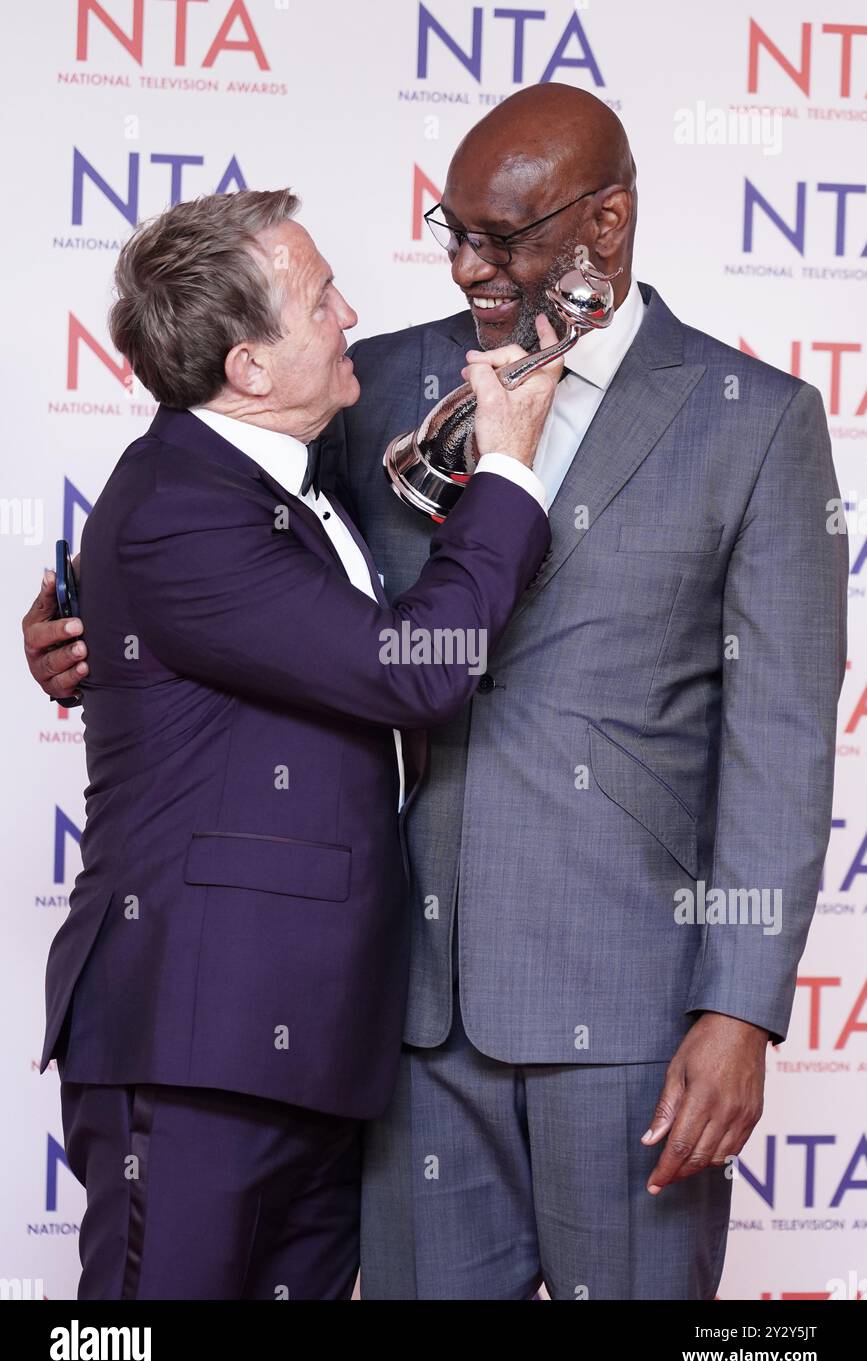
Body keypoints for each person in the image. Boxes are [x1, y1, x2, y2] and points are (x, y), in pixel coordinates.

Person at [26, 86, 848, 1300]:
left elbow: (780, 742)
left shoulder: (756, 425)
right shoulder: (370, 383)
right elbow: (221, 522)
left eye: (498, 238)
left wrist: (744, 1012)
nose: (466, 266)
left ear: (606, 225)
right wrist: (85, 623)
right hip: (399, 1026)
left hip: (631, 1022)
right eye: (448, 229)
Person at [20, 186, 558, 1299]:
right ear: (249, 368)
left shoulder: (283, 476)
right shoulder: (181, 503)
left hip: (309, 1042)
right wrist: (506, 468)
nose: (351, 312)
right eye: (321, 301)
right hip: (195, 1042)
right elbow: (415, 667)